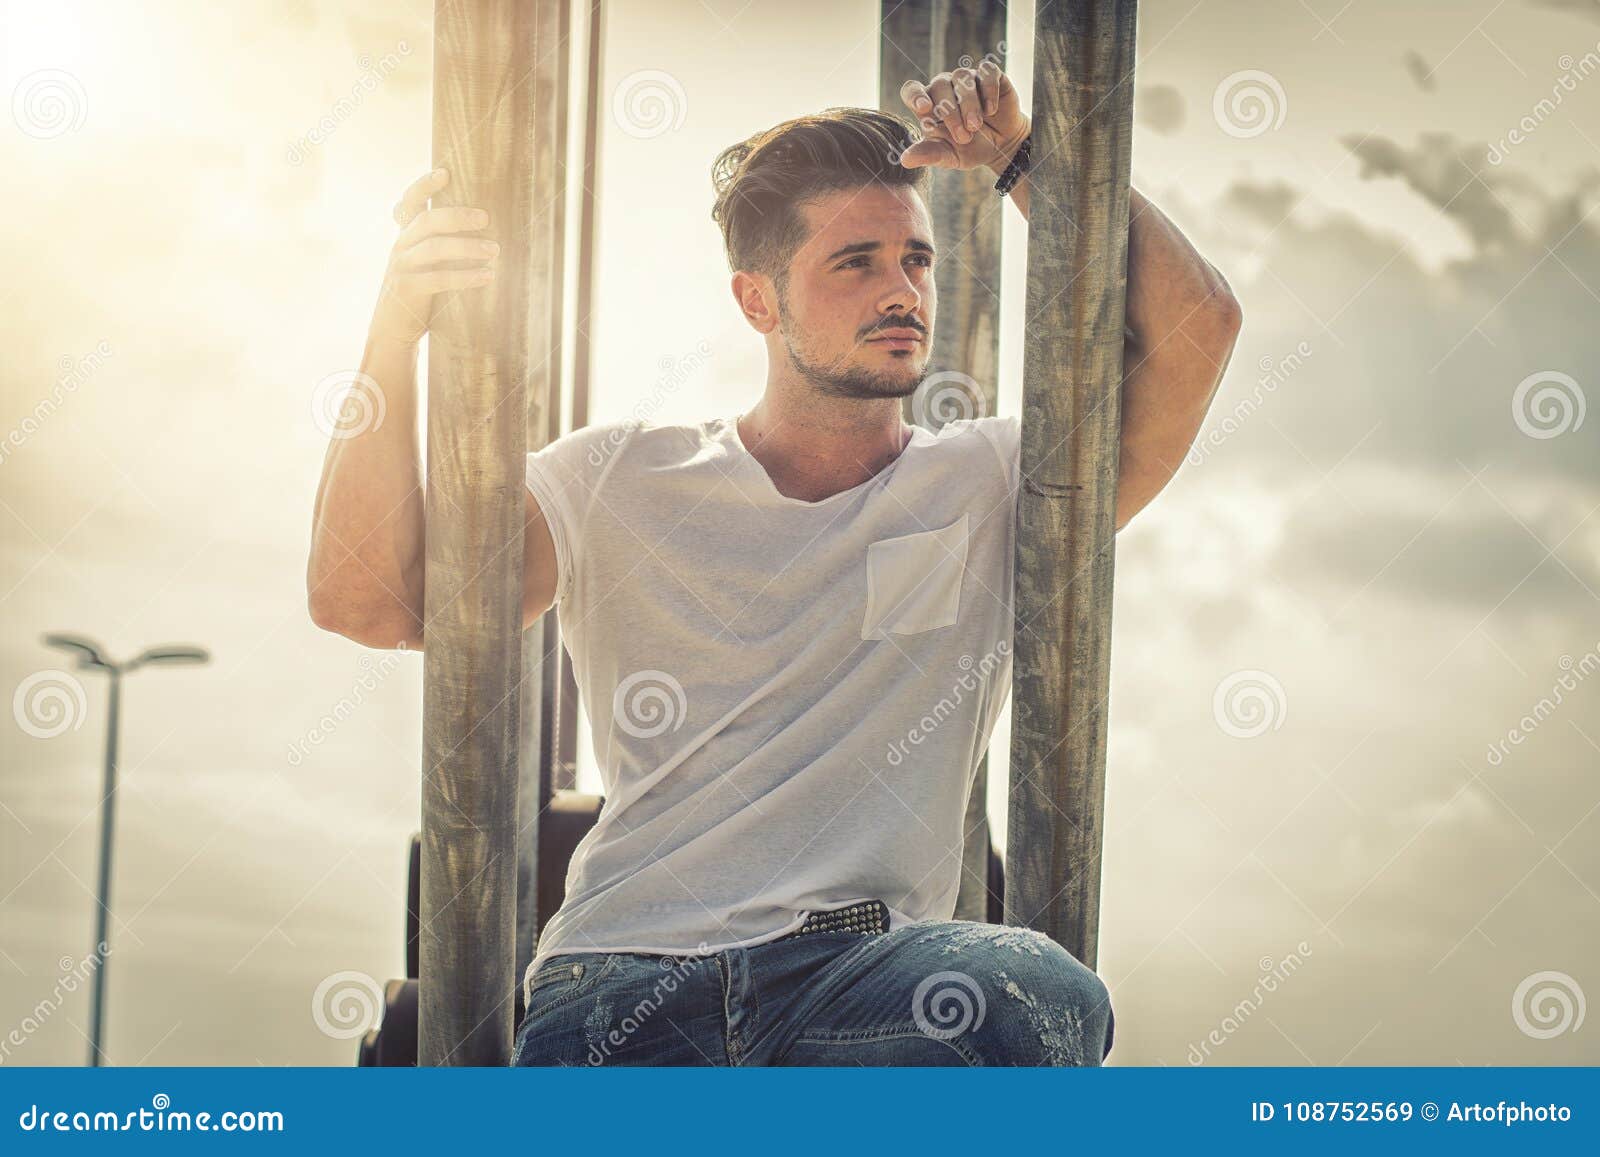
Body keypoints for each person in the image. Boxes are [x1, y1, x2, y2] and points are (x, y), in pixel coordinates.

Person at [307, 60, 1241, 1065]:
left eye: (915, 261)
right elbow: (366, 597)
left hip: (862, 985)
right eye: (855, 263)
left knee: (1034, 990)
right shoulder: (617, 477)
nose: (900, 291)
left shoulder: (989, 485)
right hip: (625, 979)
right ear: (759, 300)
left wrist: (1021, 160)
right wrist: (396, 324)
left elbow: (1201, 330)